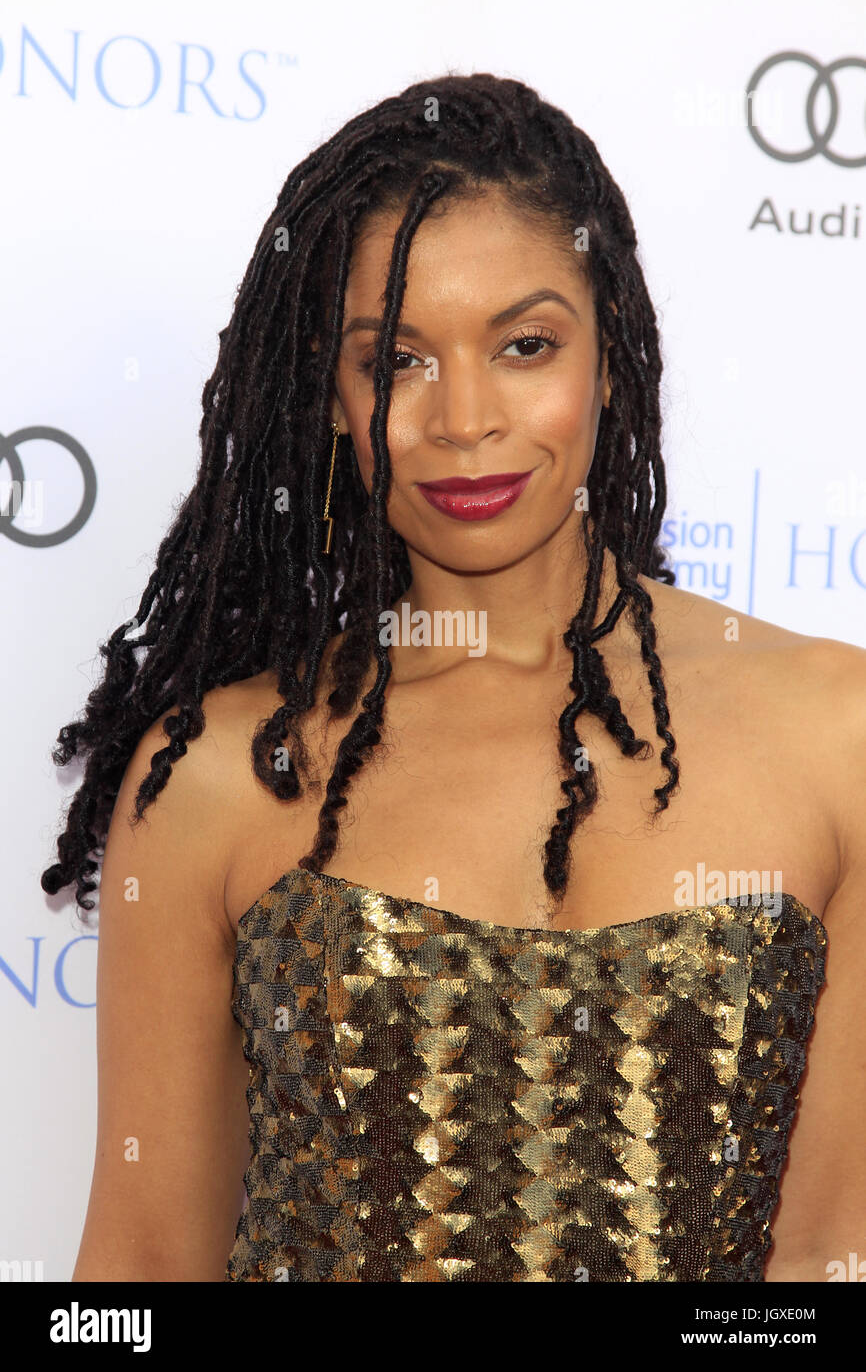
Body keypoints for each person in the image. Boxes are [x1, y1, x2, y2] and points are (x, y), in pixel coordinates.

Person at [44, 73, 865, 1283]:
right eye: (399, 361)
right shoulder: (218, 776)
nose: (464, 419)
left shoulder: (833, 732)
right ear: (327, 395)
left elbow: (822, 1260)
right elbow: (137, 1274)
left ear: (610, 357)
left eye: (523, 345)